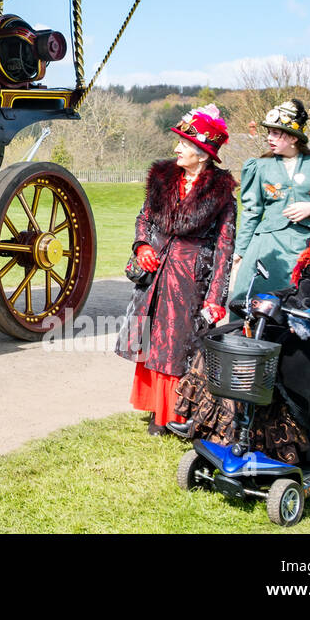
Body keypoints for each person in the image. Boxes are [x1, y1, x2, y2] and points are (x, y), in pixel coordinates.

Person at [169, 159, 310, 461]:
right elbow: (302, 290)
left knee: (262, 359)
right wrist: (268, 298)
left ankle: (270, 443)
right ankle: (216, 427)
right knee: (221, 338)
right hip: (298, 322)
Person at [116, 105, 237, 435]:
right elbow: (144, 219)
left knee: (178, 345)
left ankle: (177, 415)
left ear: (202, 153)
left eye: (183, 144)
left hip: (190, 278)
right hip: (156, 273)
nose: (176, 149)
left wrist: (215, 298)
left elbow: (225, 249)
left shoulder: (222, 194)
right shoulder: (163, 179)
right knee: (152, 338)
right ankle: (157, 408)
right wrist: (142, 247)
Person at [228, 99, 310, 308]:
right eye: (269, 133)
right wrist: (240, 252)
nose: (269, 138)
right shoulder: (259, 167)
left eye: (276, 133)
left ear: (293, 137)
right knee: (255, 303)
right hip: (267, 247)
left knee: (304, 304)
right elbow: (251, 212)